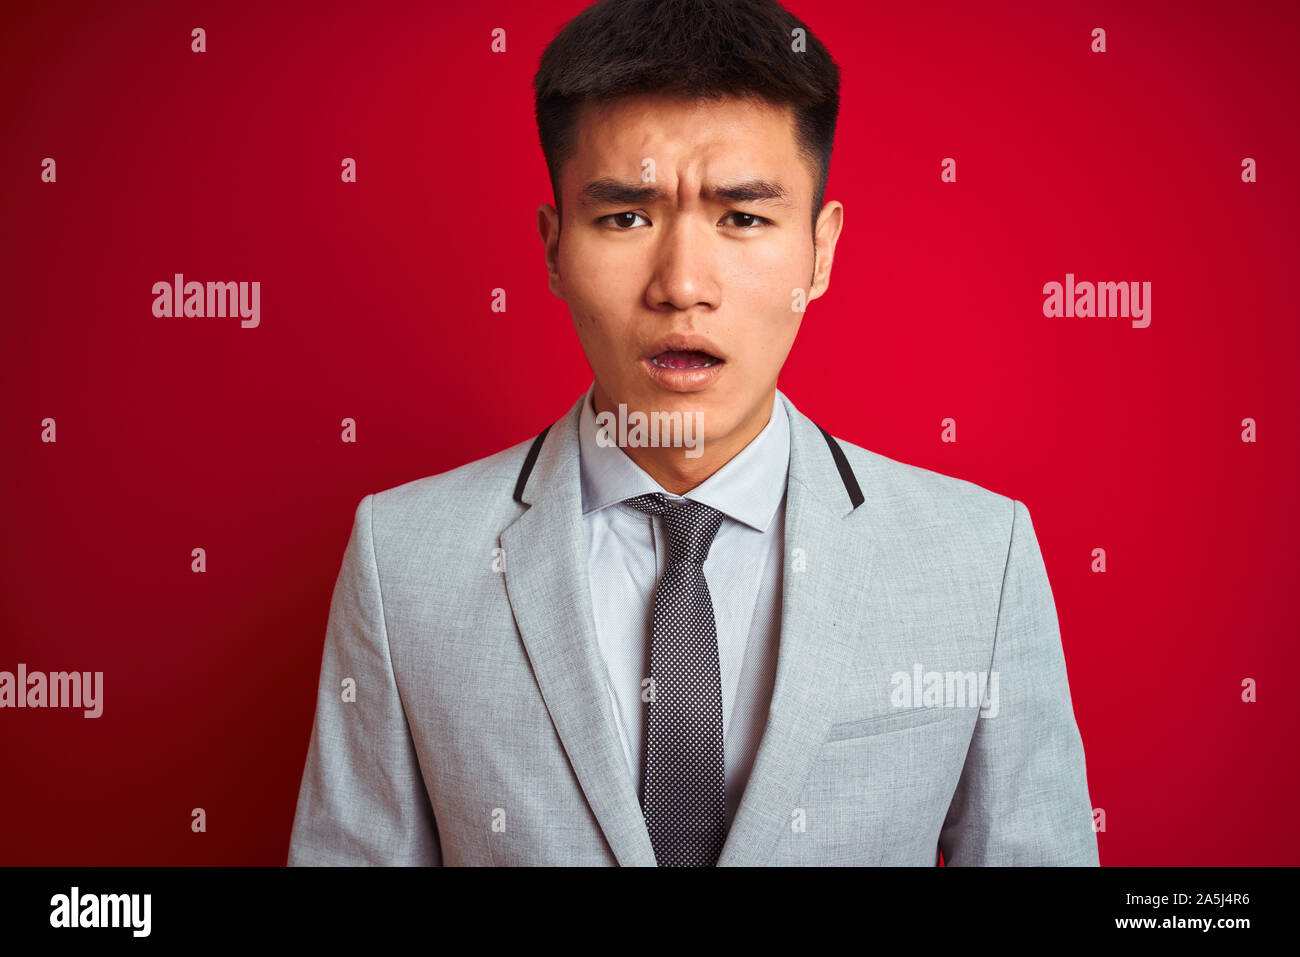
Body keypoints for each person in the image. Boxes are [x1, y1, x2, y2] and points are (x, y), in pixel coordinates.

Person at [288, 0, 1099, 866]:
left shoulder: (979, 558)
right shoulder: (401, 557)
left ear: (820, 251)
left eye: (743, 217)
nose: (681, 285)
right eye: (625, 218)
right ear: (554, 249)